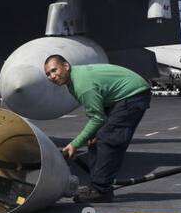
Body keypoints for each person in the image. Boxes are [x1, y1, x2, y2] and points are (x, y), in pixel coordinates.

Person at [43, 55, 151, 204]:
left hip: (133, 95)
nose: (52, 76)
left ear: (66, 66)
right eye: (48, 74)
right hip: (116, 99)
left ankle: (102, 190)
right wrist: (89, 136)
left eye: (54, 70)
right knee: (93, 141)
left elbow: (97, 118)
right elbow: (95, 114)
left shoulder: (81, 84)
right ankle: (96, 186)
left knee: (108, 140)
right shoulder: (72, 81)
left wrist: (74, 144)